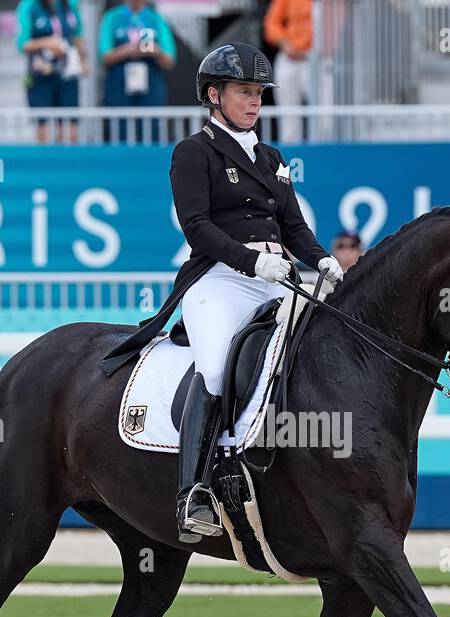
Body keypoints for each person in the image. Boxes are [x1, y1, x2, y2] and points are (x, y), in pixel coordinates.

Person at [99, 43, 341, 540]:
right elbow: (197, 227)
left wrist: (322, 259)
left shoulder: (272, 157)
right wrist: (253, 260)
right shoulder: (194, 152)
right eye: (244, 92)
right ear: (215, 95)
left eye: (258, 93)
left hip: (276, 279)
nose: (254, 102)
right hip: (220, 280)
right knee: (213, 368)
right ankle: (194, 491)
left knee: (311, 357)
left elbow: (293, 226)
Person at [97, 0, 175, 141]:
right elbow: (104, 56)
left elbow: (169, 60)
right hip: (119, 85)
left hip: (150, 83)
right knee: (118, 129)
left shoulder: (156, 18)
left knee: (151, 129)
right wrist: (127, 50)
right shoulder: (112, 17)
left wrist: (155, 51)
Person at [16, 0, 88, 144]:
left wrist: (83, 60)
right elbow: (22, 44)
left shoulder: (71, 5)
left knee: (69, 130)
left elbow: (79, 36)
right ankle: (45, 164)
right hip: (41, 77)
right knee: (44, 129)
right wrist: (46, 42)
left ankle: (68, 164)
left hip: (68, 75)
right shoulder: (29, 6)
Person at [263, 0, 311, 143]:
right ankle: (290, 155)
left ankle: (325, 152)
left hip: (320, 59)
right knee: (289, 115)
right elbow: (271, 23)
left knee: (324, 115)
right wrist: (286, 44)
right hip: (290, 57)